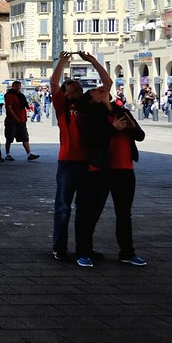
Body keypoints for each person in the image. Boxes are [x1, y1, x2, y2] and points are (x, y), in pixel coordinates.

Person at [75, 85, 146, 268]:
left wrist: (131, 128)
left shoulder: (121, 111)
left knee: (124, 213)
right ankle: (83, 252)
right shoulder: (91, 115)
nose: (103, 90)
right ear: (93, 100)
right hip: (101, 169)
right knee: (91, 213)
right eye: (97, 91)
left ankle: (127, 253)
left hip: (125, 168)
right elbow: (91, 140)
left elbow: (140, 136)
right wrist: (113, 128)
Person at [50, 51, 112, 262]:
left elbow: (107, 82)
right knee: (63, 207)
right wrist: (61, 63)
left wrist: (93, 61)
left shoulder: (88, 103)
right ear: (66, 93)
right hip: (67, 162)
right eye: (70, 84)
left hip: (88, 163)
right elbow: (54, 84)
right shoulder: (62, 106)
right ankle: (59, 247)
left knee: (84, 209)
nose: (74, 83)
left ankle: (83, 249)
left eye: (76, 82)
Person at [3, 80, 39, 161]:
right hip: (12, 121)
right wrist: (15, 117)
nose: (18, 87)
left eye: (19, 85)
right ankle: (8, 154)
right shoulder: (9, 95)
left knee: (25, 137)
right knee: (9, 138)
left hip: (22, 120)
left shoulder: (21, 95)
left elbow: (25, 106)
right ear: (13, 86)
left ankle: (29, 154)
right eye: (16, 85)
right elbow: (9, 108)